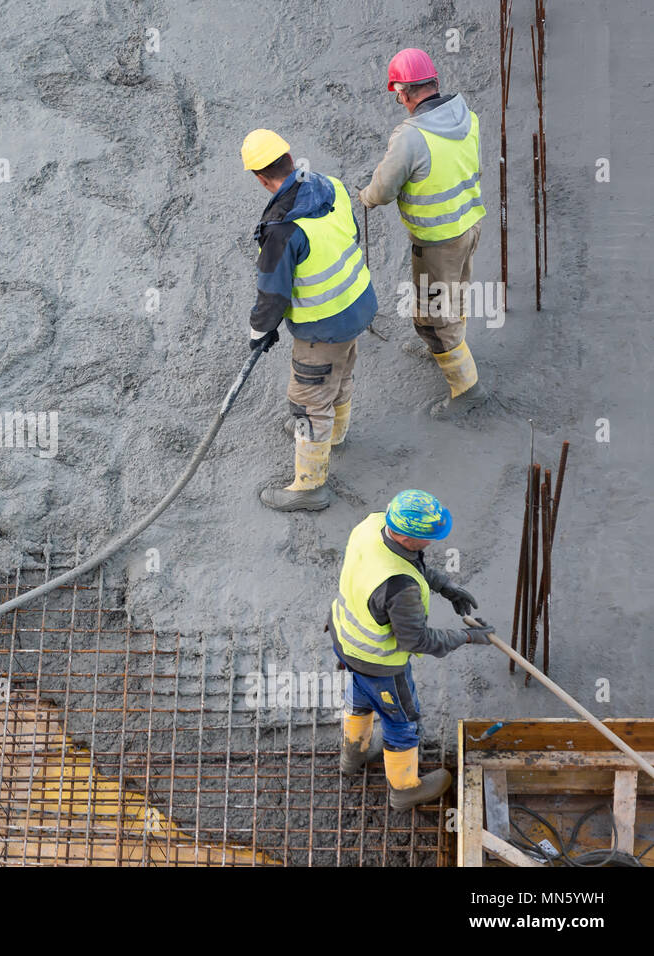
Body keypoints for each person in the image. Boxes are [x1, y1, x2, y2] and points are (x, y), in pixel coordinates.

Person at [330, 489, 494, 809]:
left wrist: (445, 587)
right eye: (428, 538)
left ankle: (353, 756)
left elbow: (407, 564)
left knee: (360, 696)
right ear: (407, 538)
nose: (433, 543)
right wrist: (468, 637)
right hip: (380, 664)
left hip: (345, 639)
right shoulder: (399, 588)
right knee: (403, 721)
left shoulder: (373, 524)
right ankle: (404, 790)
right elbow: (416, 640)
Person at [242, 128, 378, 512]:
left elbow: (272, 294)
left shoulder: (282, 230)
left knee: (307, 403)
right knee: (342, 375)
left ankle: (309, 486)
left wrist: (260, 332)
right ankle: (334, 434)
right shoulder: (331, 185)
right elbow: (346, 235)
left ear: (261, 178)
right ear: (289, 158)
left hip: (323, 328)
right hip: (358, 304)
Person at [360, 48, 489, 418]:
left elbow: (382, 191)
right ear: (434, 82)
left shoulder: (410, 137)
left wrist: (365, 197)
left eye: (397, 93)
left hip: (438, 243)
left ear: (405, 91)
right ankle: (441, 348)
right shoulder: (468, 117)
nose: (398, 100)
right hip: (469, 226)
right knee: (454, 296)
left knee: (438, 313)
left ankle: (467, 389)